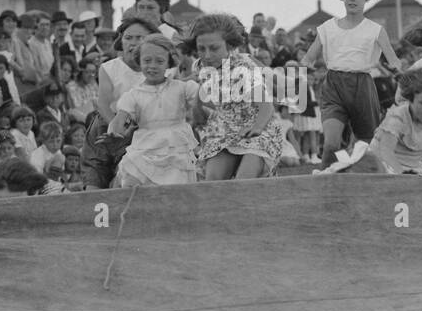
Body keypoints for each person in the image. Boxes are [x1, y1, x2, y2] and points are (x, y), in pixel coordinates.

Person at [300, 0, 401, 162]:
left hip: (362, 86)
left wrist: (402, 73)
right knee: (331, 144)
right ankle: (328, 183)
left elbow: (394, 61)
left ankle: (362, 181)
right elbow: (308, 59)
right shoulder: (327, 28)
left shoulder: (376, 30)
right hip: (333, 86)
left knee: (367, 144)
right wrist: (301, 68)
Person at [191, 13, 284, 179]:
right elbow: (203, 91)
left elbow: (266, 107)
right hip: (226, 131)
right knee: (213, 180)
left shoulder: (243, 66)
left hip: (258, 128)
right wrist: (197, 107)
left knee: (244, 179)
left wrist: (256, 128)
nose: (207, 55)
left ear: (229, 46)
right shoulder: (201, 66)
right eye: (201, 49)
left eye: (214, 48)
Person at [106, 35, 200, 186]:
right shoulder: (133, 95)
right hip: (144, 150)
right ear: (139, 61)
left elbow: (201, 104)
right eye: (147, 61)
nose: (153, 66)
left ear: (169, 62)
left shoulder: (182, 88)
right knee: (132, 179)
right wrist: (114, 131)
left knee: (175, 192)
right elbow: (120, 119)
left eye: (159, 61)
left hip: (175, 151)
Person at [82, 18, 155, 189]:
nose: (133, 43)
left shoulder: (155, 70)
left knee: (124, 185)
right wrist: (116, 130)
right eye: (128, 38)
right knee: (94, 184)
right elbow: (103, 104)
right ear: (121, 41)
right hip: (107, 127)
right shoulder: (109, 68)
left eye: (140, 38)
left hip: (138, 133)